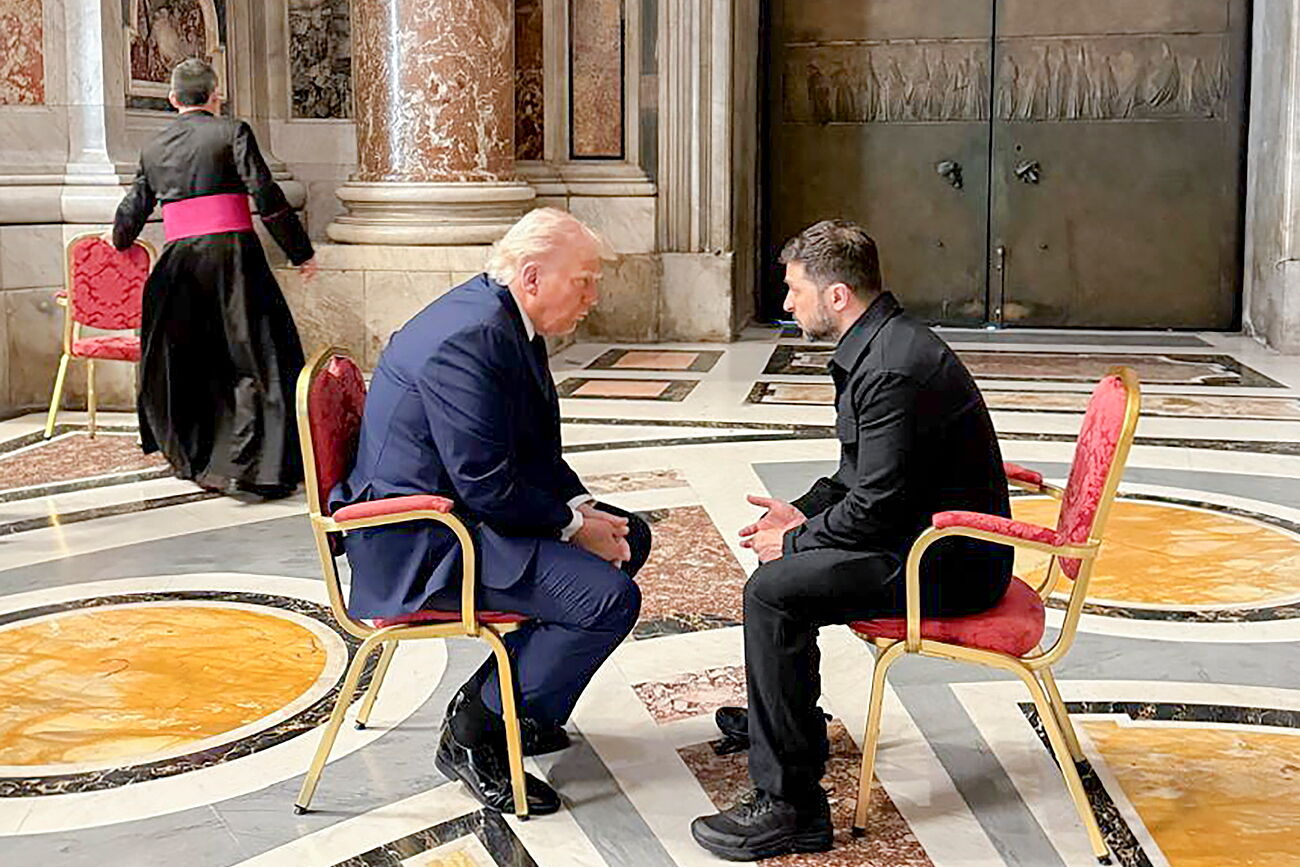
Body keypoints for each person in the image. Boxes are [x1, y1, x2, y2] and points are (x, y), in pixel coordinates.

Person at [691, 220, 1013, 860]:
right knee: (782, 580)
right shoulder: (882, 346)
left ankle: (793, 808)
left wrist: (800, 540)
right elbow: (857, 477)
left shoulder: (891, 367)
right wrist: (799, 513)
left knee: (775, 592)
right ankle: (787, 728)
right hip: (920, 537)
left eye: (795, 290)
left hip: (948, 561)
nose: (787, 304)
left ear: (837, 296)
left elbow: (877, 506)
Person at [331, 208, 652, 816]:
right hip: (422, 539)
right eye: (583, 279)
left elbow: (527, 450)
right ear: (532, 276)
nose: (593, 294)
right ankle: (475, 730)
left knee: (631, 538)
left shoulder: (503, 317)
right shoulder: (471, 337)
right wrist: (574, 528)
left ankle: (523, 701)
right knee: (606, 600)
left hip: (463, 512)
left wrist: (581, 508)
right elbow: (485, 482)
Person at [110, 58, 316, 499]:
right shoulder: (232, 131)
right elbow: (265, 192)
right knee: (259, 358)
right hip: (234, 258)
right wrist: (300, 251)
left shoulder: (153, 147)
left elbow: (132, 209)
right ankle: (261, 467)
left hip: (179, 263)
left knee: (193, 363)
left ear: (172, 99)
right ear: (215, 94)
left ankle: (202, 460)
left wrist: (120, 241)